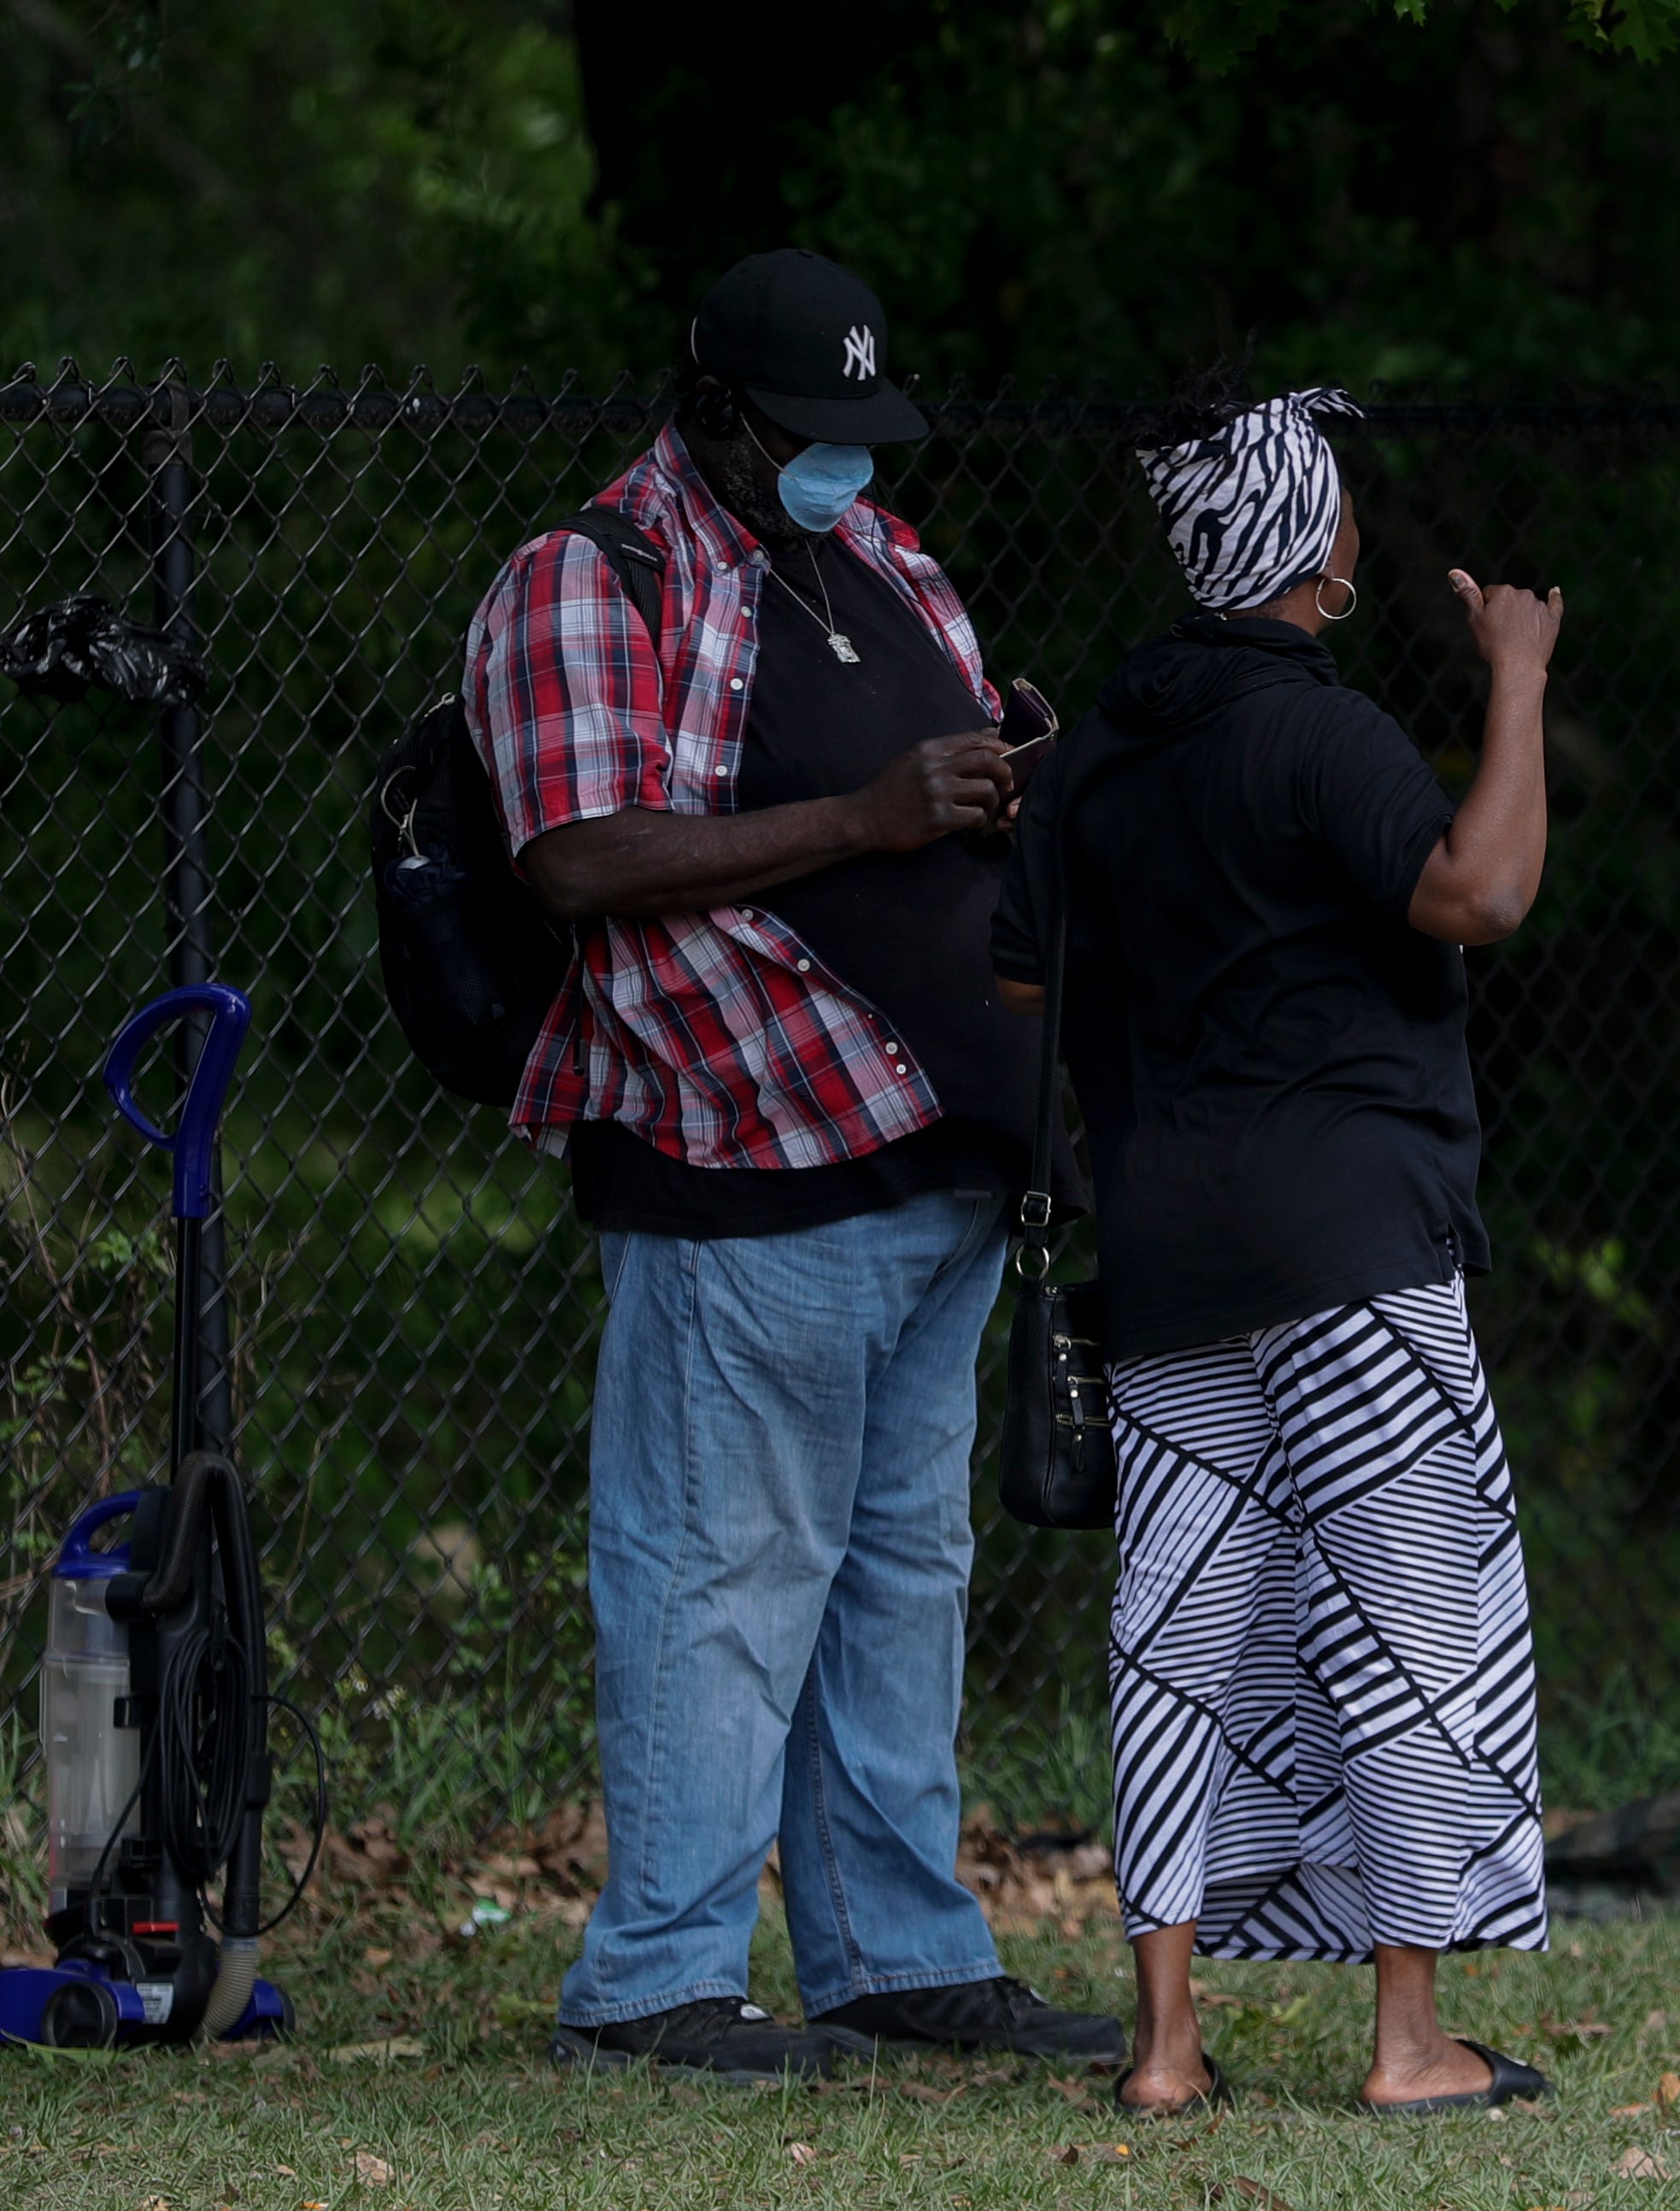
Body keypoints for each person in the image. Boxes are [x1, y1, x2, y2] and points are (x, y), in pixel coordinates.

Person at [467, 248, 1126, 2082]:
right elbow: (577, 857)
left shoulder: (882, 553)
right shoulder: (589, 579)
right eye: (806, 435)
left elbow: (947, 774)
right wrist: (869, 812)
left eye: (860, 429)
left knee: (896, 1578)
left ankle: (895, 1953)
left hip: (940, 1162)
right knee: (716, 1573)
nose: (840, 464)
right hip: (739, 1157)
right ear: (714, 414)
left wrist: (1002, 770)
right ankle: (656, 1982)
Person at [993, 379, 1562, 2116]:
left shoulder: (1092, 759)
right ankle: (1408, 2042)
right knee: (1403, 1614)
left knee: (1179, 1631)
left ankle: (1162, 2045)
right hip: (1352, 1248)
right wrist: (1519, 678)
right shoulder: (1319, 736)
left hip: (1168, 1256)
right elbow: (1479, 892)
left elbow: (1022, 978)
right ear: (1314, 545)